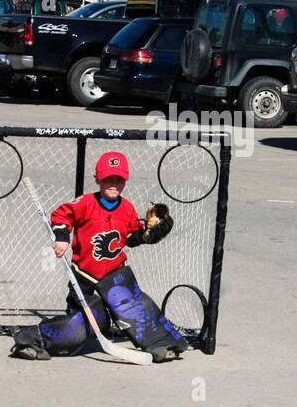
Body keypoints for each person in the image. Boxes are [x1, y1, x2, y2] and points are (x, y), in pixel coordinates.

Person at [12, 151, 185, 364]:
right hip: (84, 277)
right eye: (108, 179)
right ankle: (32, 340)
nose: (113, 183)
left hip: (115, 276)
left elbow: (130, 237)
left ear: (125, 181)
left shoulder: (127, 208)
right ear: (97, 179)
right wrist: (62, 238)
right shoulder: (85, 203)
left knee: (136, 310)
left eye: (118, 179)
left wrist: (148, 236)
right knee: (80, 326)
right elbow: (61, 215)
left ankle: (160, 344)